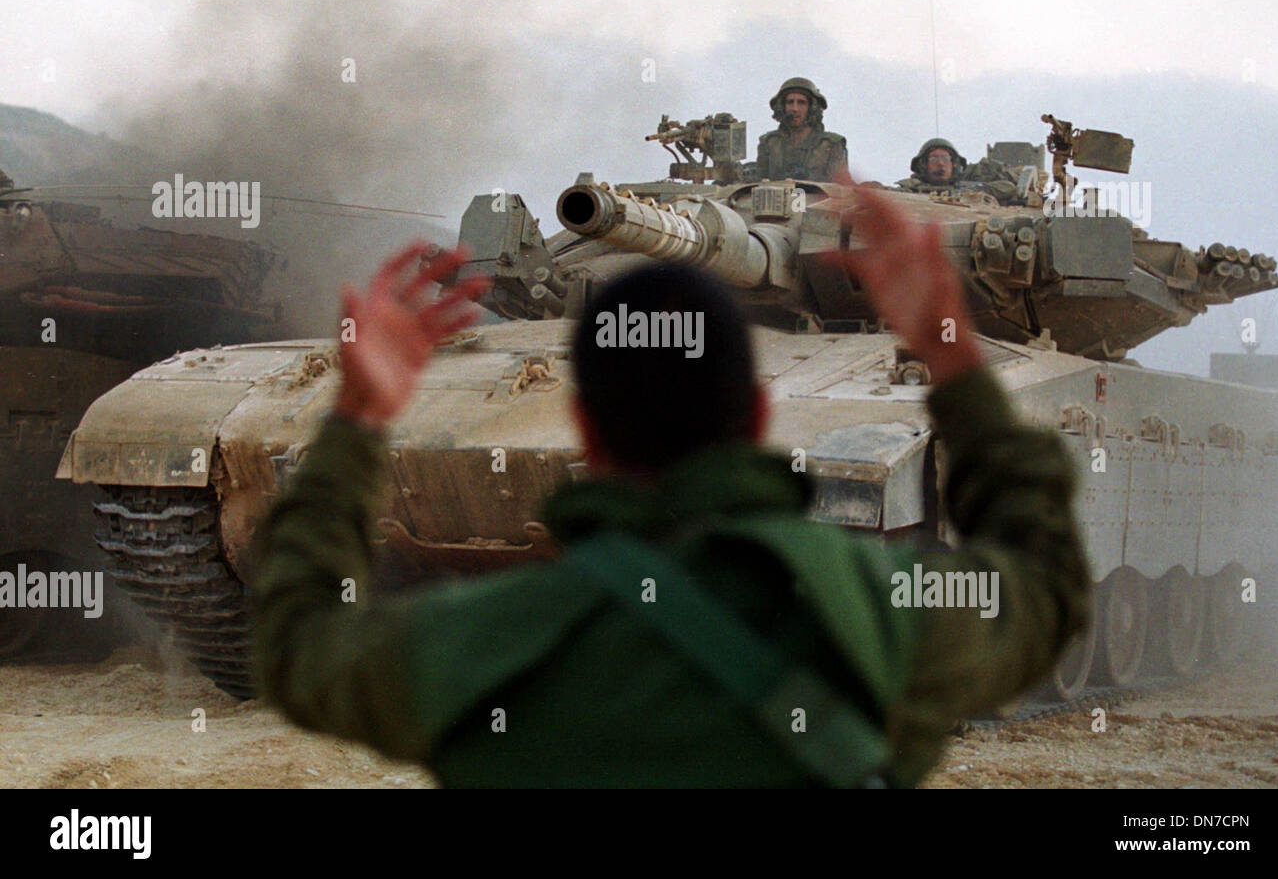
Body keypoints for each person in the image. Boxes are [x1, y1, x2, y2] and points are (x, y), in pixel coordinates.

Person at [251, 185, 1092, 787]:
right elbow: (1044, 589)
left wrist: (358, 419)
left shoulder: (480, 645)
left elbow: (298, 645)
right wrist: (954, 359)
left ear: (583, 424)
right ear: (758, 411)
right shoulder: (874, 613)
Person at [753, 77, 848, 182]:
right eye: (790, 102)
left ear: (812, 108)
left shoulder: (831, 144)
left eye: (801, 103)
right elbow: (759, 181)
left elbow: (841, 187)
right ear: (782, 107)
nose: (795, 108)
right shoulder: (769, 142)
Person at [899, 137, 1020, 202]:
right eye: (934, 159)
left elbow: (1007, 187)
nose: (941, 164)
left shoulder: (967, 184)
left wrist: (974, 190)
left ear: (954, 164)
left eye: (946, 159)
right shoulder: (911, 188)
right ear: (924, 165)